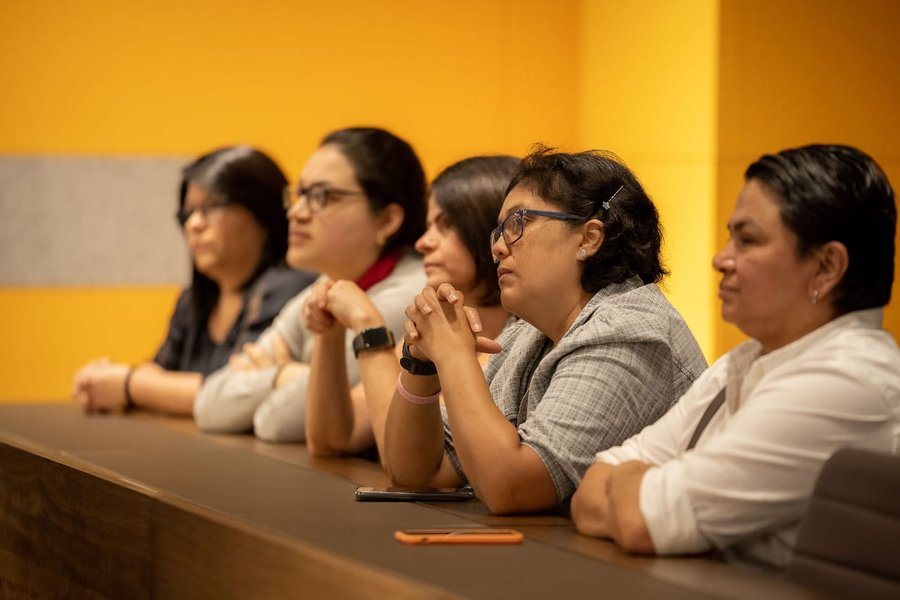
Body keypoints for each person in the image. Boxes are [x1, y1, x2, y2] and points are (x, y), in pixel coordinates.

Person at [571, 144, 900, 569]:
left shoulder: (845, 379)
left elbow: (640, 523)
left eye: (748, 240)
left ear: (826, 267)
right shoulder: (746, 359)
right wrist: (644, 489)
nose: (721, 259)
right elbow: (589, 492)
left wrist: (634, 482)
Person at [383, 147, 707, 514]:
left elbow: (513, 487)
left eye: (518, 223)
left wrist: (453, 355)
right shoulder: (528, 334)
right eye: (499, 231)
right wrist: (421, 363)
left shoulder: (629, 331)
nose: (498, 248)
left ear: (588, 239)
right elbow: (417, 472)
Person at [193, 127, 427, 442]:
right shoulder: (324, 286)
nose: (296, 212)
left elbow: (277, 421)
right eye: (299, 194)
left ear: (387, 220)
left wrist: (271, 375)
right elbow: (208, 404)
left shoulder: (409, 297)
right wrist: (283, 374)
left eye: (322, 196)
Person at [303, 155, 519, 462]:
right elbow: (333, 439)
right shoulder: (430, 334)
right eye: (428, 226)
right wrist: (329, 332)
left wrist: (368, 326)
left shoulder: (520, 343)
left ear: (492, 230)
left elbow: (402, 460)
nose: (423, 243)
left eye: (446, 226)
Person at [72, 146, 315, 415]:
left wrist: (128, 383)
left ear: (262, 212)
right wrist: (107, 380)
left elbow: (236, 393)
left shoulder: (291, 289)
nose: (194, 225)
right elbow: (161, 373)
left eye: (211, 207)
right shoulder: (193, 299)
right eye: (188, 214)